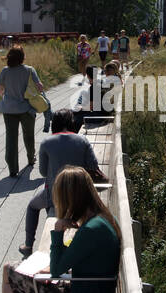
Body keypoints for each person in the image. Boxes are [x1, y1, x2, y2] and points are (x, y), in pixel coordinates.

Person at [18, 109, 106, 257]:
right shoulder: (82, 140)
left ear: (55, 124)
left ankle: (28, 245)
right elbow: (93, 165)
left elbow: (43, 172)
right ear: (71, 122)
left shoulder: (47, 142)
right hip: (80, 194)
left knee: (32, 206)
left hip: (55, 195)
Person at [0, 44, 43, 177]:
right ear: (22, 57)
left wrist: (6, 97)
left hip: (9, 109)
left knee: (11, 138)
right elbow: (40, 87)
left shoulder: (5, 71)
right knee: (29, 135)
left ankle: (12, 168)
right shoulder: (29, 70)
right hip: (27, 108)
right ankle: (31, 158)